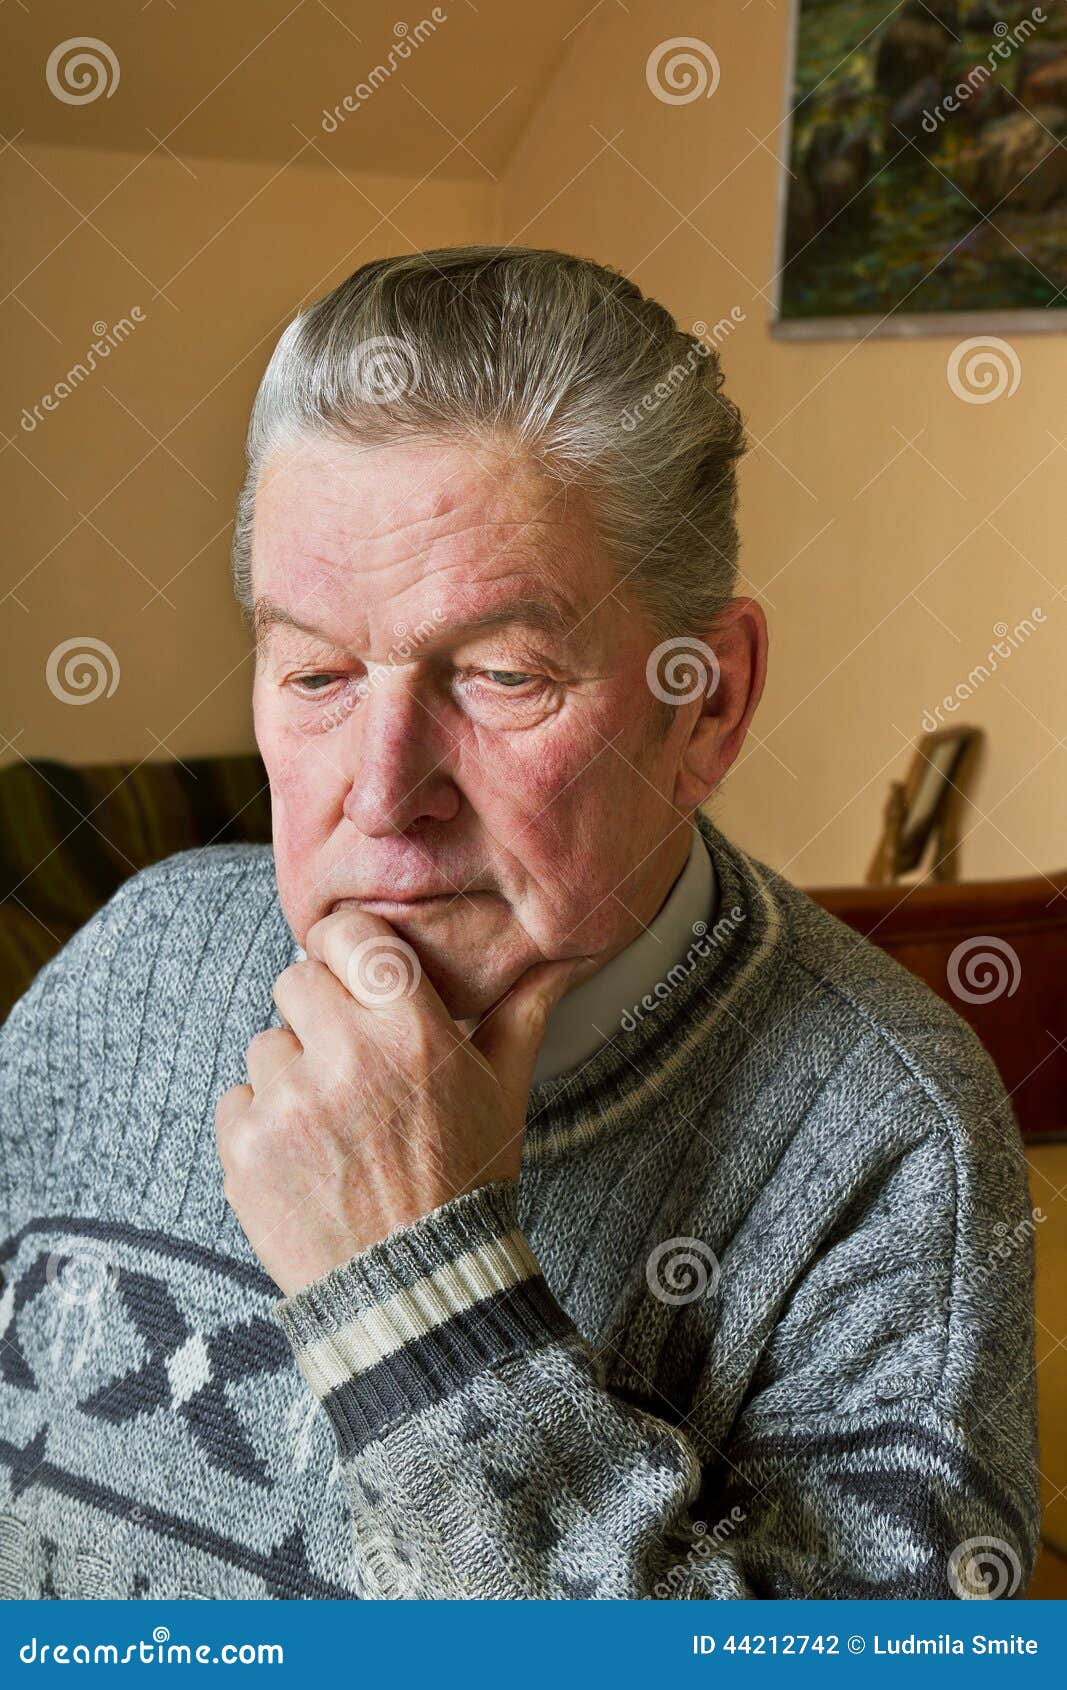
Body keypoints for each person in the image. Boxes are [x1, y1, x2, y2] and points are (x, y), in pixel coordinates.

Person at [0, 248, 1040, 1600]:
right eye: (314, 670)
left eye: (499, 675)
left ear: (705, 701)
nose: (382, 795)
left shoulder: (894, 1148)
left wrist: (416, 1301)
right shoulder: (128, 963)